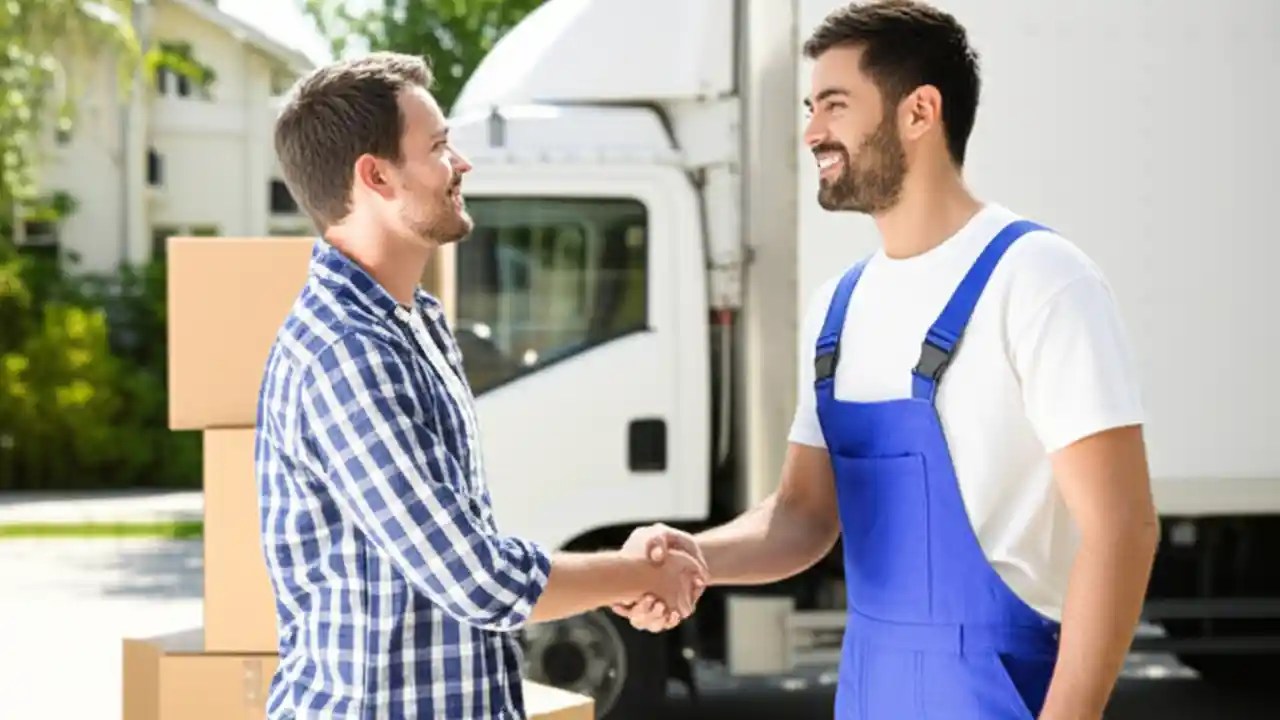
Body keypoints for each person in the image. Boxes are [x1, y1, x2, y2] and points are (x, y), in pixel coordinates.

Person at [614, 2, 1159, 718]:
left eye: (835, 106)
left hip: (1003, 693)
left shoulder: (1039, 280)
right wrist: (692, 556)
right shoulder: (840, 307)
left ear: (920, 112)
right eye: (812, 108)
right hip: (872, 689)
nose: (812, 132)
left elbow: (1123, 527)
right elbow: (804, 516)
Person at [255, 52, 707, 719]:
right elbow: (474, 579)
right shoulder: (347, 351)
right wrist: (638, 573)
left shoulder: (419, 324)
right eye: (438, 147)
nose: (461, 164)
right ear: (375, 175)